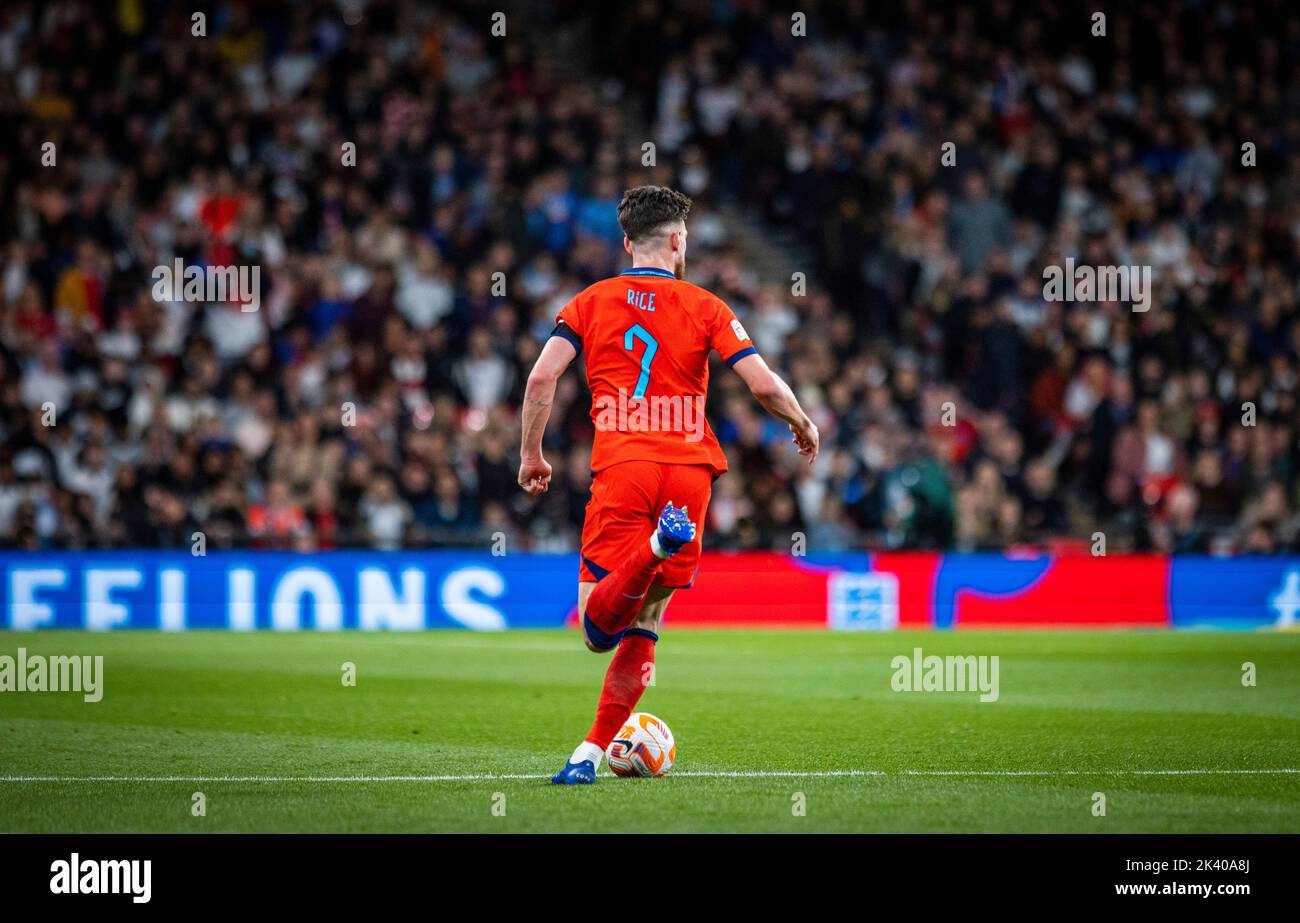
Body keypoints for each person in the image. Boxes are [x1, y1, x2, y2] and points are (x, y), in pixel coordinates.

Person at [517, 185, 819, 784]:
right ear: (679, 240)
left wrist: (532, 455)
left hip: (624, 464)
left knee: (598, 630)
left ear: (628, 242)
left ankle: (654, 547)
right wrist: (802, 421)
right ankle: (589, 755)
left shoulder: (590, 301)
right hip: (689, 472)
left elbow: (541, 377)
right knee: (647, 622)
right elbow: (761, 385)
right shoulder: (707, 306)